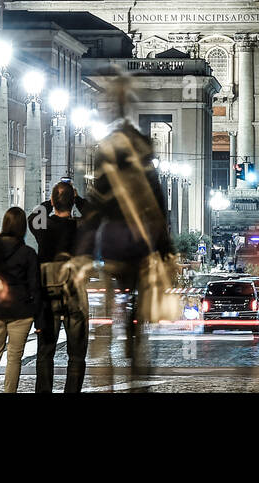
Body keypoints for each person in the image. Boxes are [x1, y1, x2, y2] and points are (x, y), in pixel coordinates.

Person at [75, 76, 175, 389]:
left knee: (104, 318)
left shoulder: (106, 147)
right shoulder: (143, 145)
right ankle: (137, 361)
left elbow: (97, 203)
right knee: (140, 320)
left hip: (114, 242)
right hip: (142, 242)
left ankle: (105, 362)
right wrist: (164, 247)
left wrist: (82, 252)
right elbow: (157, 199)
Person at [30, 181, 89, 393]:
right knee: (76, 353)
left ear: (53, 201)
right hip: (75, 290)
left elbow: (33, 215)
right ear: (72, 202)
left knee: (45, 351)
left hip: (48, 291)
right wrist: (77, 199)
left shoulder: (43, 226)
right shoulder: (80, 226)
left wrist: (51, 200)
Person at [0, 207, 42, 393]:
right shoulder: (28, 253)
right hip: (20, 313)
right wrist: (38, 318)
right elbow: (35, 287)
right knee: (14, 359)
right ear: (23, 227)